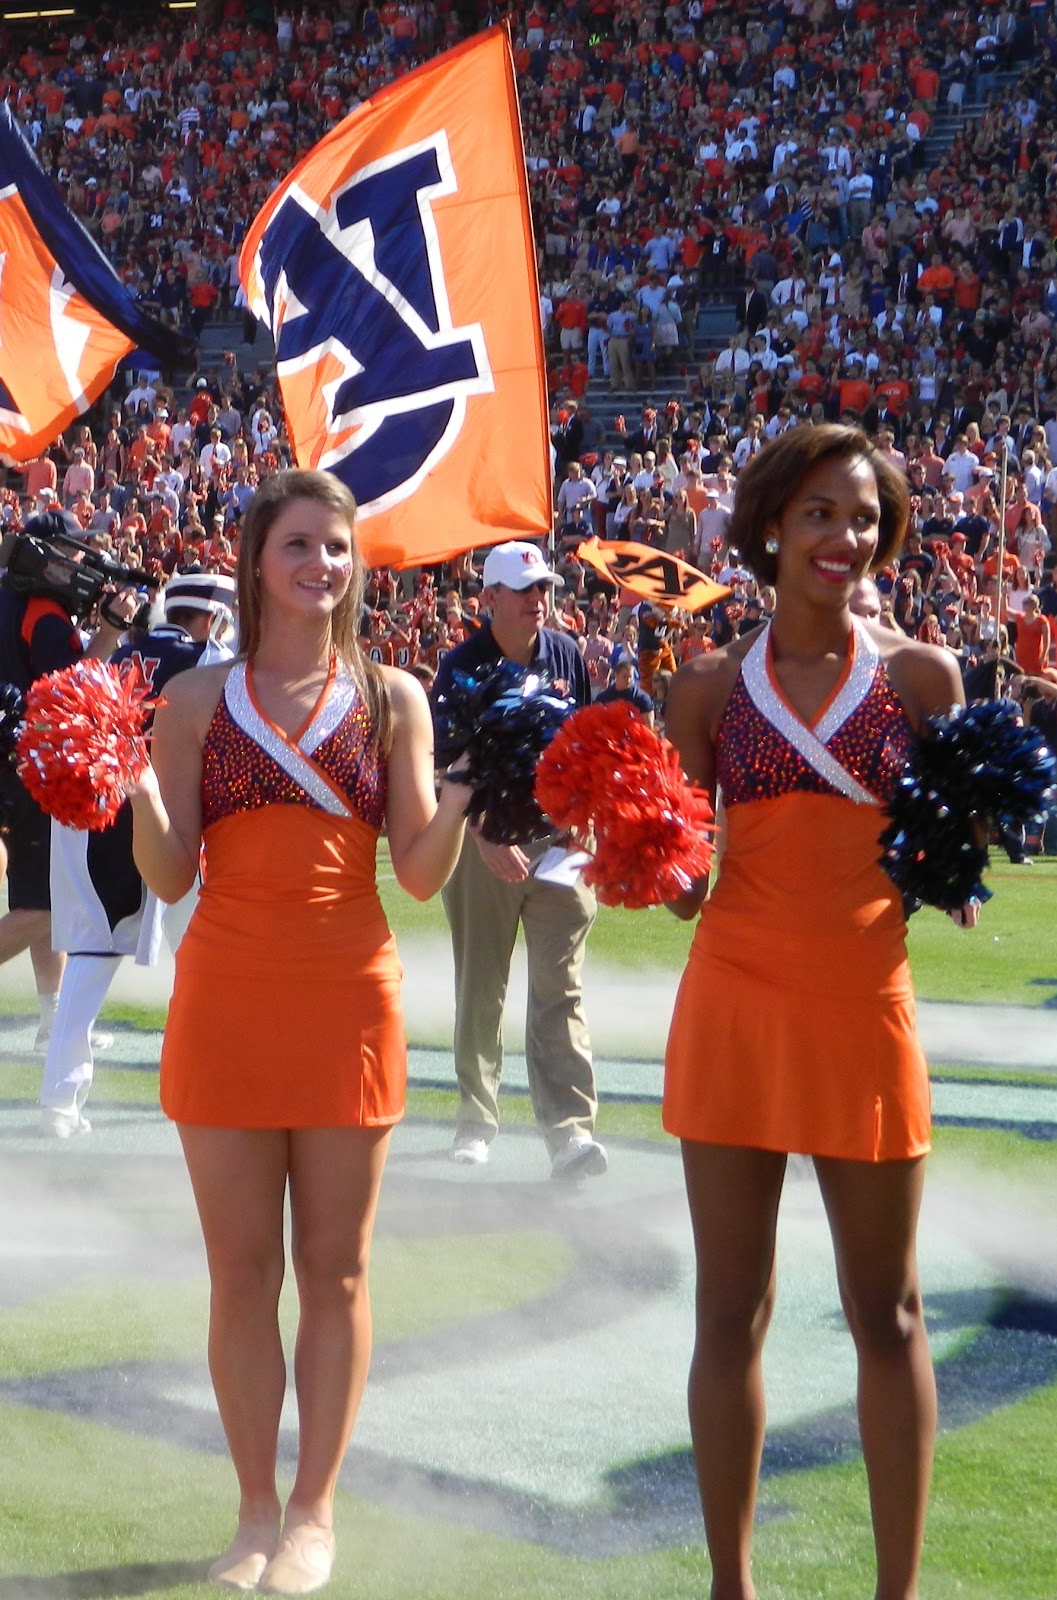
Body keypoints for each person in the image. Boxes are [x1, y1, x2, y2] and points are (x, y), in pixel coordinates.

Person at [127, 469, 468, 1594]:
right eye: (299, 545)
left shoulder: (392, 698)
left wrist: (468, 786)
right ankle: (252, 1511)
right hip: (224, 993)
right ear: (255, 560)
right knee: (239, 1272)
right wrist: (133, 782)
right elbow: (171, 873)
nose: (322, 565)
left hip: (346, 995)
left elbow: (417, 875)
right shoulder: (193, 699)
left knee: (336, 1270)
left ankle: (314, 1514)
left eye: (337, 547)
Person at [662, 426, 980, 1600]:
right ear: (766, 529)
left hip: (862, 1010)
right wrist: (633, 847)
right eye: (816, 515)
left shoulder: (920, 680)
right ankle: (728, 1586)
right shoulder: (699, 689)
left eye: (861, 518)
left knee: (887, 1310)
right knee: (728, 1311)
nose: (841, 539)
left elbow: (951, 855)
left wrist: (962, 855)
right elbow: (687, 878)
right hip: (734, 1005)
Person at [40, 573, 238, 1138]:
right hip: (174, 821)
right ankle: (211, 1090)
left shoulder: (116, 651)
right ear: (211, 616)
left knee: (90, 960)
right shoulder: (213, 658)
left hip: (103, 820)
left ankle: (61, 1101)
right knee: (206, 959)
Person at [431, 541, 606, 1180]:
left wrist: (584, 821)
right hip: (485, 846)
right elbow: (445, 762)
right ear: (491, 599)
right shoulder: (461, 666)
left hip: (561, 847)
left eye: (545, 589)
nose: (541, 601)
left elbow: (587, 743)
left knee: (560, 990)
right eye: (527, 590)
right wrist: (481, 833)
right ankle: (476, 1120)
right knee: (482, 987)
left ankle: (569, 1131)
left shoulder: (566, 654)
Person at [0, 511, 140, 1050]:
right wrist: (108, 631)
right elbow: (73, 687)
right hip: (22, 765)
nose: (80, 561)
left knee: (40, 895)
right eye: (73, 551)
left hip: (11, 758)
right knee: (46, 907)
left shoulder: (13, 599)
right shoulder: (43, 610)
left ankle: (51, 1019)